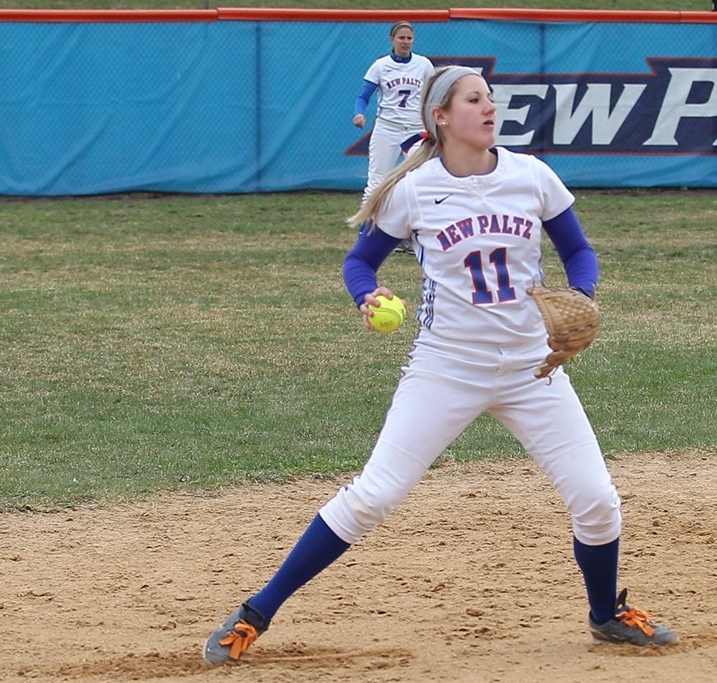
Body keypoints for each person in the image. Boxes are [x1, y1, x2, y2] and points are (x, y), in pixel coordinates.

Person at [203, 65, 678, 667]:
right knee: (372, 496)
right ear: (442, 117)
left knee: (597, 500)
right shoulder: (415, 190)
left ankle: (605, 614)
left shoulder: (531, 176)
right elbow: (359, 263)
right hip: (447, 367)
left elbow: (578, 250)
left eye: (490, 98)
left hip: (533, 369)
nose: (489, 107)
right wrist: (366, 295)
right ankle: (254, 613)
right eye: (474, 99)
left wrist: (581, 294)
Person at [352, 20, 434, 254]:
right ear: (392, 39)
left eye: (409, 38)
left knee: (422, 181)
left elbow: (433, 93)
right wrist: (359, 113)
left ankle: (413, 236)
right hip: (388, 127)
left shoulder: (423, 64)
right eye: (401, 38)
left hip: (415, 129)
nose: (406, 42)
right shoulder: (381, 66)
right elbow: (363, 96)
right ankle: (366, 238)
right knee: (377, 182)